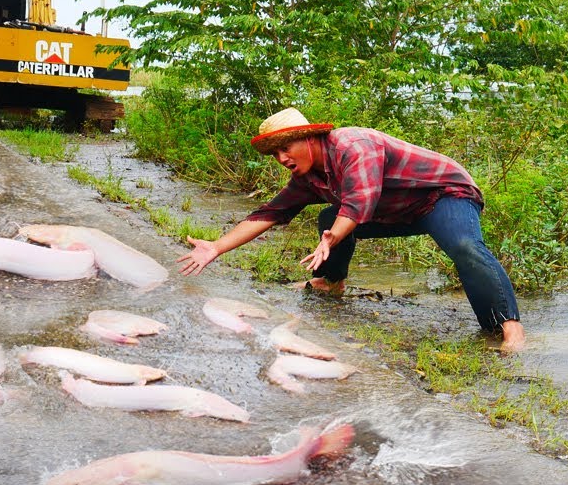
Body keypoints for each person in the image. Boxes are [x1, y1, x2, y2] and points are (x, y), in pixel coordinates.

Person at [178, 107, 527, 353]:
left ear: (309, 138)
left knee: (465, 247)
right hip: (394, 212)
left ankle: (509, 327)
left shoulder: (352, 146)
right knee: (331, 218)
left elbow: (361, 199)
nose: (282, 158)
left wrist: (334, 235)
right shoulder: (307, 177)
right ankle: (331, 282)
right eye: (275, 153)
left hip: (441, 197)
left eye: (286, 147)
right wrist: (217, 247)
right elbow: (271, 213)